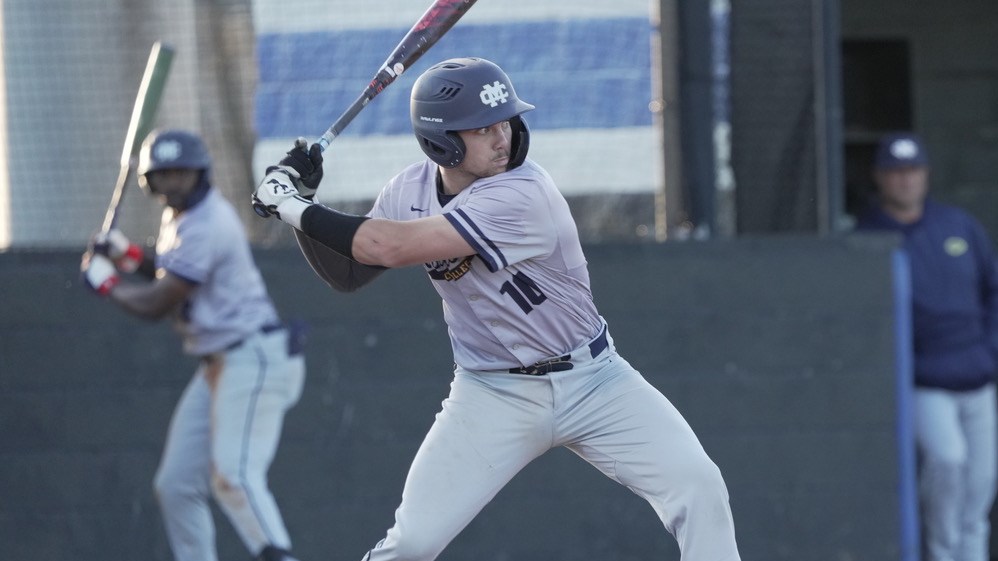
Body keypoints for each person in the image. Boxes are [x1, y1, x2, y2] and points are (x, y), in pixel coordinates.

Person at [253, 57, 740, 561]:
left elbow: (386, 248)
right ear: (440, 141)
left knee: (699, 487)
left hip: (595, 381)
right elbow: (348, 273)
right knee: (413, 543)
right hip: (491, 393)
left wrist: (291, 204)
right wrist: (302, 207)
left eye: (504, 121)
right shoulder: (408, 191)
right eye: (481, 129)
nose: (501, 137)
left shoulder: (524, 193)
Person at [80, 129, 307, 561]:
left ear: (200, 172)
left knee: (234, 476)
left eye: (181, 173)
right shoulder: (181, 219)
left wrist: (107, 282)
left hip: (252, 357)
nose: (173, 183)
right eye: (164, 175)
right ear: (151, 182)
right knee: (178, 485)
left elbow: (157, 302)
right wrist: (126, 252)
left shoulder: (208, 223)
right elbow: (166, 271)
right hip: (221, 365)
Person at [856, 132, 998, 561]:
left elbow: (992, 290)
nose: (905, 181)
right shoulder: (869, 236)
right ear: (880, 178)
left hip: (978, 379)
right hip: (925, 382)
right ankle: (941, 555)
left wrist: (990, 353)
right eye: (895, 173)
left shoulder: (958, 225)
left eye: (913, 171)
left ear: (926, 175)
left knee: (980, 488)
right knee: (948, 463)